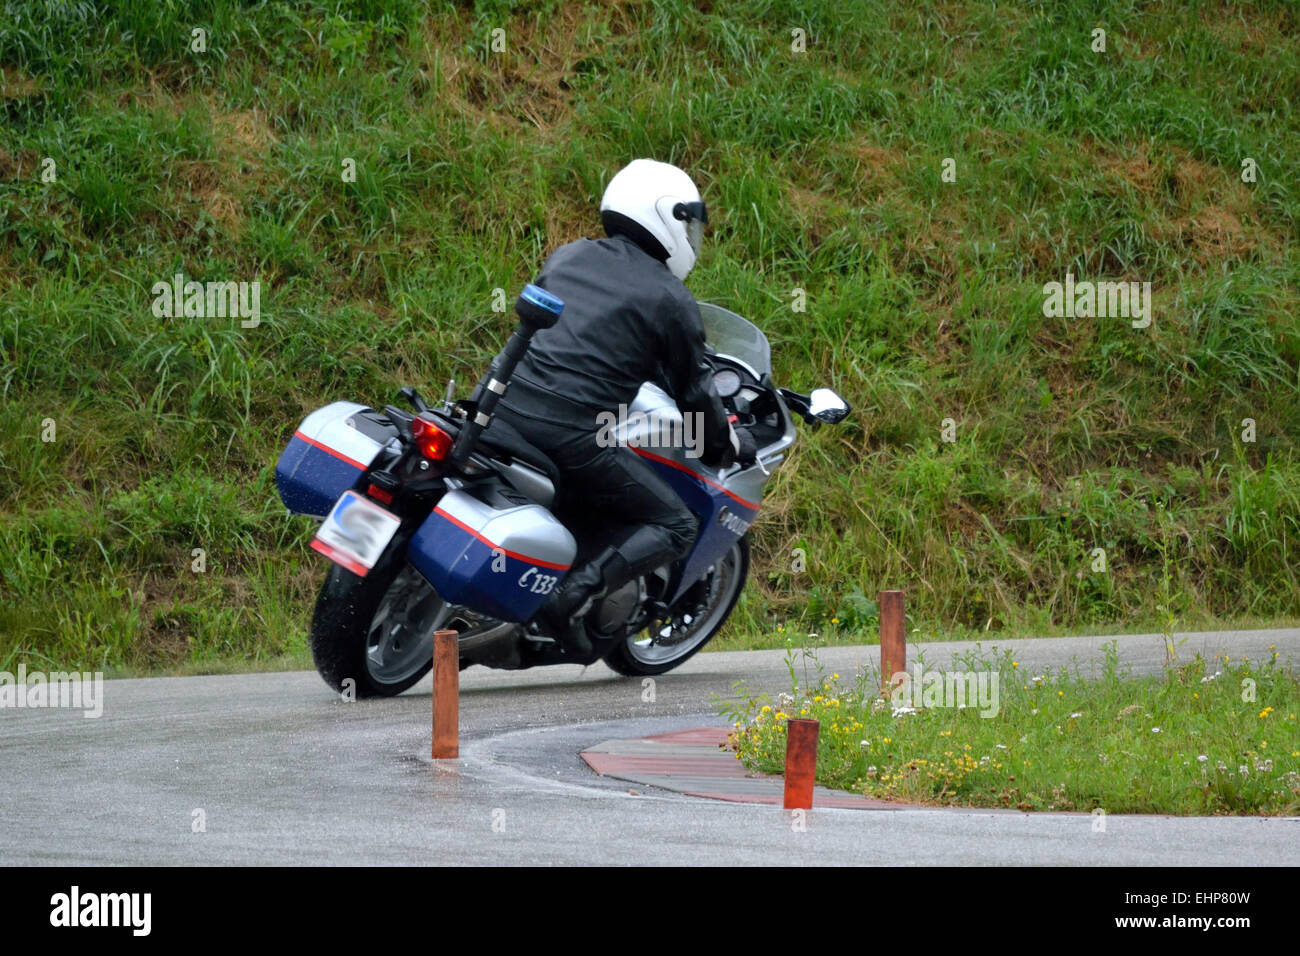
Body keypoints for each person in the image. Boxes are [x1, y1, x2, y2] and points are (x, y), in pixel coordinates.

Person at [492, 158, 755, 658]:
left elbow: (579, 340)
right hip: (571, 434)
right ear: (665, 218)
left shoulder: (568, 256)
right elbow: (695, 395)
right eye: (688, 224)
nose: (692, 237)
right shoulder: (669, 298)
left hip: (499, 408)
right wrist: (726, 445)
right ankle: (571, 596)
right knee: (678, 523)